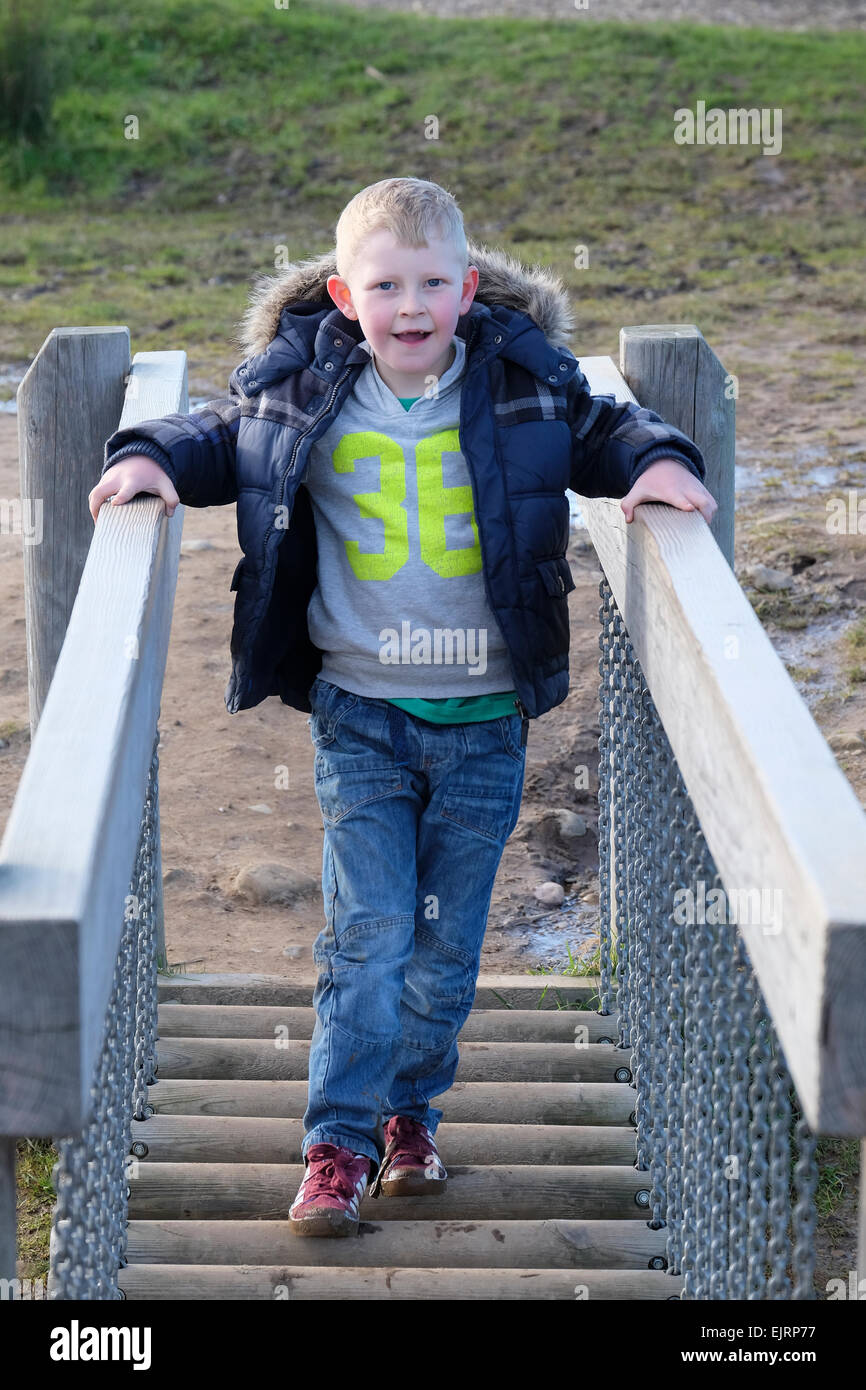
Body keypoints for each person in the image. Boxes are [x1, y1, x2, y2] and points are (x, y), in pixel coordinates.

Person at [89, 176, 717, 1238]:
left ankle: (409, 1122)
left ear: (467, 290)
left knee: (439, 955)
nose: (411, 304)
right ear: (344, 295)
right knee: (369, 937)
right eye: (387, 285)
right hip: (361, 715)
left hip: (483, 723)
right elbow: (220, 433)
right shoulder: (302, 388)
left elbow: (603, 426)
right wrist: (147, 454)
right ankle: (334, 1144)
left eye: (433, 282)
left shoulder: (520, 383)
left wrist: (654, 462)